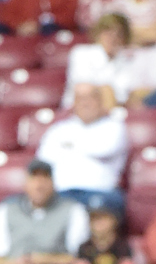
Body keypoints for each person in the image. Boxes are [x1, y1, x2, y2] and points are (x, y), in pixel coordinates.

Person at [37, 82, 129, 213]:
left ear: (100, 101)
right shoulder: (58, 130)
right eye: (80, 98)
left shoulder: (115, 127)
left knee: (100, 209)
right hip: (62, 193)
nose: (85, 103)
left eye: (90, 97)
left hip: (99, 192)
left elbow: (103, 149)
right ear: (73, 103)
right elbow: (44, 160)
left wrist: (68, 145)